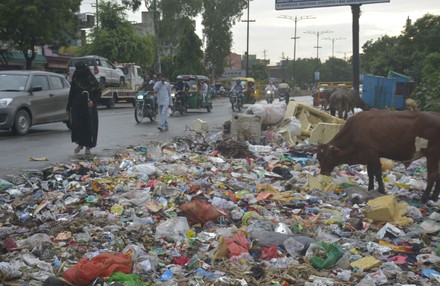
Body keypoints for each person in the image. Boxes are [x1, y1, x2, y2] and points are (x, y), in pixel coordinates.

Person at [66, 61, 102, 155]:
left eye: (81, 69)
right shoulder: (76, 78)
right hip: (77, 106)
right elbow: (72, 93)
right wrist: (68, 107)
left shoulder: (91, 79)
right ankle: (80, 144)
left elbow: (98, 92)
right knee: (77, 126)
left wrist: (92, 101)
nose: (79, 71)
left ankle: (88, 147)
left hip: (88, 107)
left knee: (88, 127)